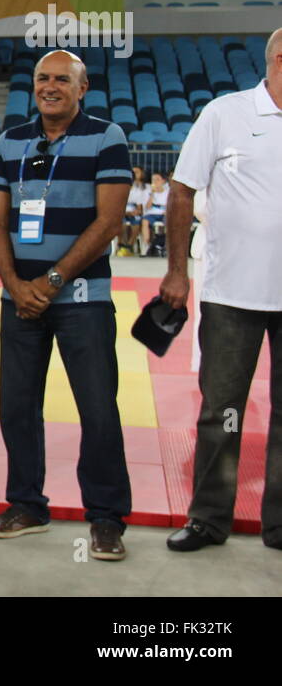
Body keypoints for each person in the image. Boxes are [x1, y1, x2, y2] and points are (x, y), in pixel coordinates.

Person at [0, 49, 132, 561]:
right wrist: (15, 285)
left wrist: (49, 280)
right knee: (16, 408)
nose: (50, 86)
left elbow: (109, 222)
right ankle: (26, 504)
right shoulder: (11, 141)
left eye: (62, 80)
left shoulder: (106, 137)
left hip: (83, 300)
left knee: (97, 409)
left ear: (81, 87)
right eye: (43, 78)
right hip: (18, 299)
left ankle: (107, 518)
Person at [160, 28, 282, 553]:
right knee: (221, 409)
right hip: (232, 293)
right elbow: (181, 190)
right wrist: (176, 271)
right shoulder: (225, 113)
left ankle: (279, 524)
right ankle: (209, 518)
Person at [119, 165, 149, 256]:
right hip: (121, 212)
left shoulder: (137, 190)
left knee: (136, 224)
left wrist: (136, 212)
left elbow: (139, 208)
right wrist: (126, 212)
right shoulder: (120, 189)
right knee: (121, 224)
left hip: (133, 212)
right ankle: (121, 245)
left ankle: (129, 246)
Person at [141, 171, 169, 257]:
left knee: (170, 221)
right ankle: (147, 244)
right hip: (151, 213)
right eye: (153, 180)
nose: (155, 182)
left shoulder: (168, 191)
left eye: (158, 179)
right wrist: (152, 194)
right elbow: (147, 207)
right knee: (145, 221)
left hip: (164, 214)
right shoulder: (147, 192)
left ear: (163, 181)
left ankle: (166, 246)